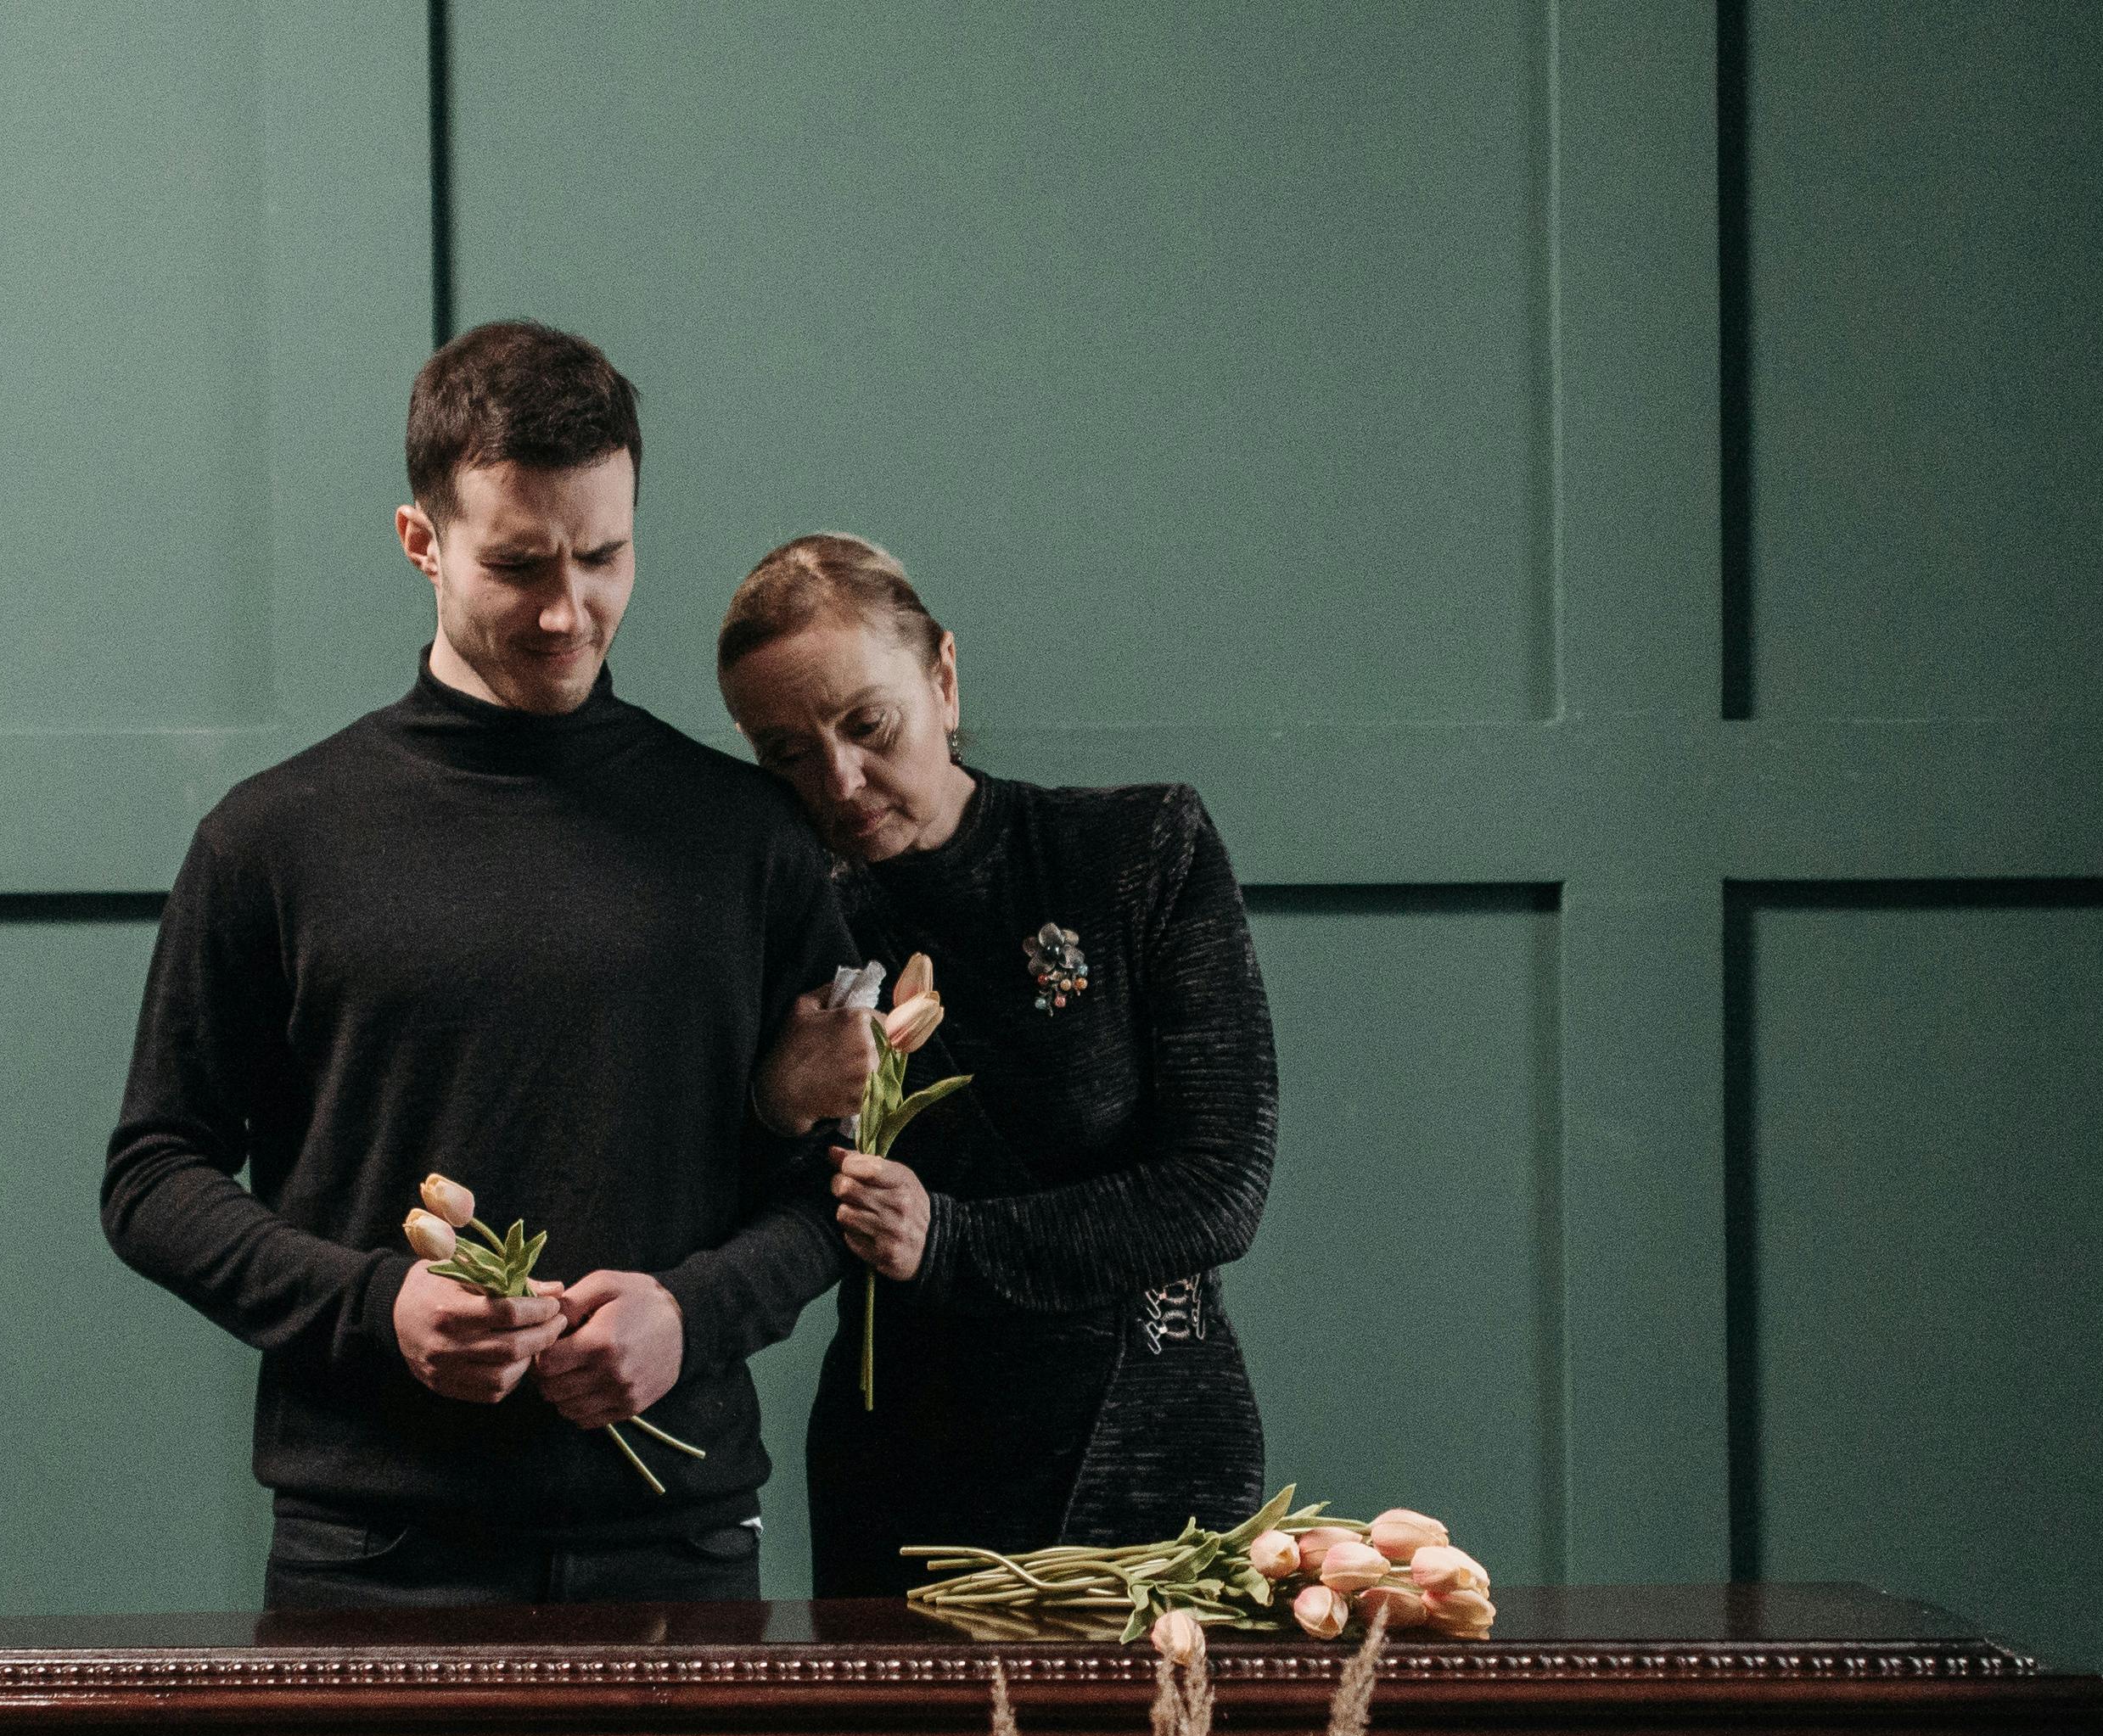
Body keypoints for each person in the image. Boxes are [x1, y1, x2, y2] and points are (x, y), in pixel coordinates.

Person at [103, 327, 852, 1611]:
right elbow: (153, 1177)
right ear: (419, 541)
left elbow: (836, 1180)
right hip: (368, 1560)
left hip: (678, 1549)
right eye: (516, 565)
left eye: (603, 555)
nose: (568, 610)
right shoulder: (271, 839)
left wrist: (692, 1314)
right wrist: (377, 1308)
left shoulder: (747, 839)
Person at [723, 534, 1280, 1601]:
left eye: (865, 724)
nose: (835, 781)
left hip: (1146, 1447)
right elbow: (737, 1205)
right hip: (902, 1472)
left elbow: (1219, 1188)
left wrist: (949, 1239)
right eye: (785, 753)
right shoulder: (788, 920)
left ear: (940, 673)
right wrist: (774, 1101)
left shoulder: (1134, 849)